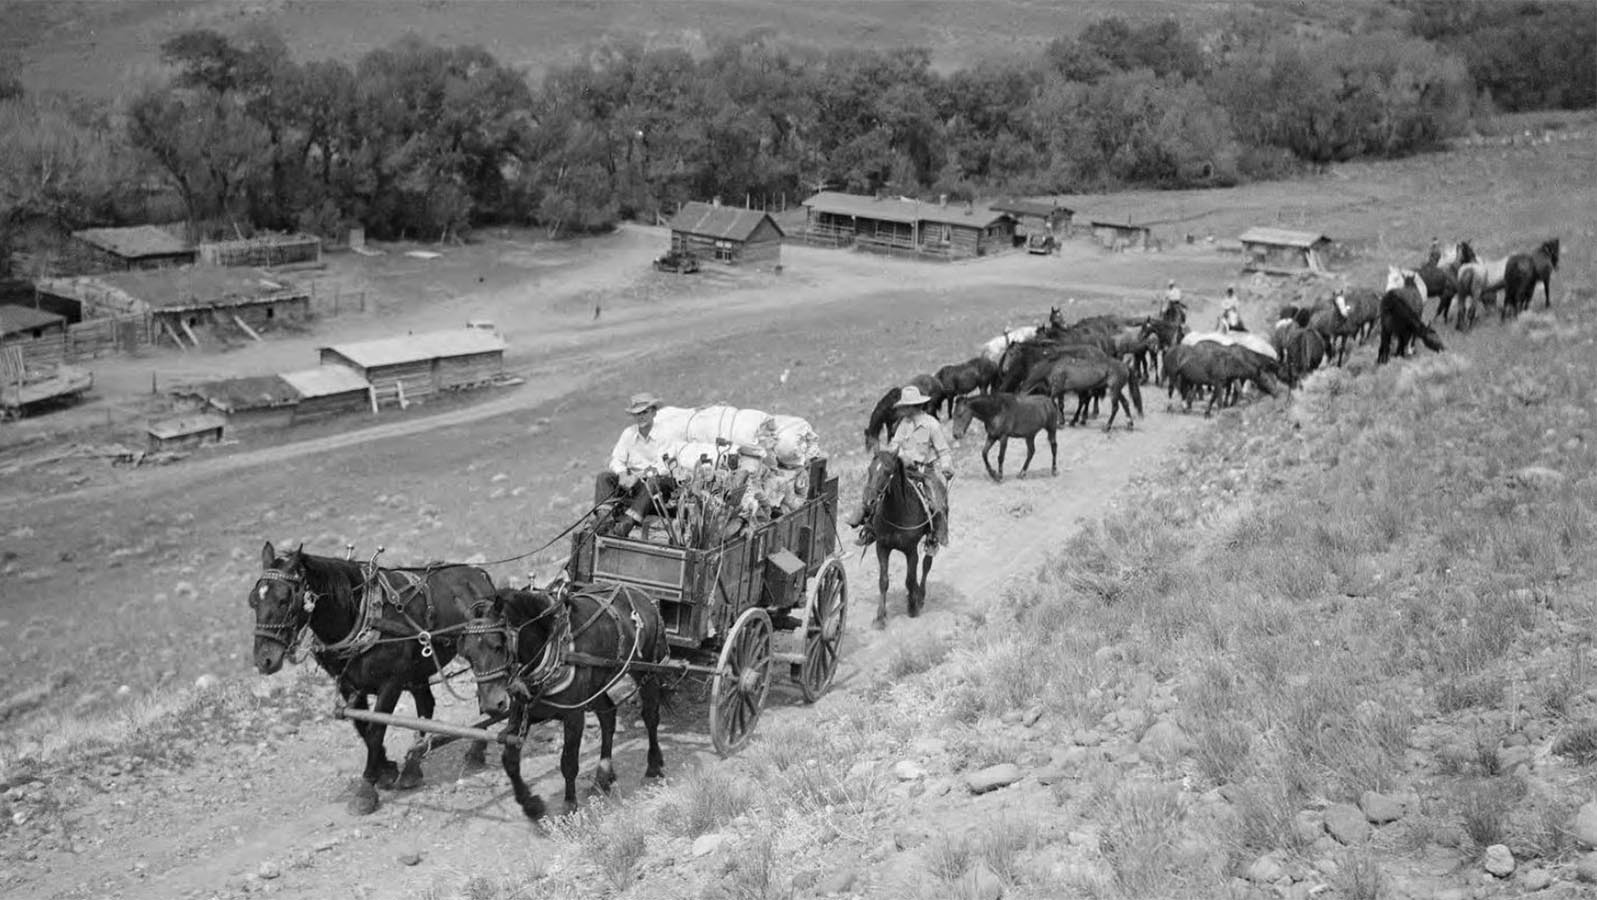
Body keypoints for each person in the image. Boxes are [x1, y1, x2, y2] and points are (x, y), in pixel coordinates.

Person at [844, 385, 954, 553]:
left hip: (924, 471)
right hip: (902, 468)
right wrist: (895, 454)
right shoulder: (903, 424)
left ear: (914, 406)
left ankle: (933, 537)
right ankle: (868, 526)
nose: (902, 410)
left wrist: (946, 465)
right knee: (877, 484)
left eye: (906, 406)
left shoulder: (931, 425)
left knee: (936, 502)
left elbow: (943, 450)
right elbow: (895, 444)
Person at [595, 392, 678, 538]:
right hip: (634, 486)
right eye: (637, 413)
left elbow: (664, 467)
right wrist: (622, 474)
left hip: (660, 489)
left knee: (654, 482)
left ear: (653, 412)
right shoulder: (628, 434)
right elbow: (616, 460)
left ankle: (625, 525)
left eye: (644, 412)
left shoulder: (666, 434)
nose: (641, 417)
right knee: (604, 477)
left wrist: (638, 477)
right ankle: (604, 521)